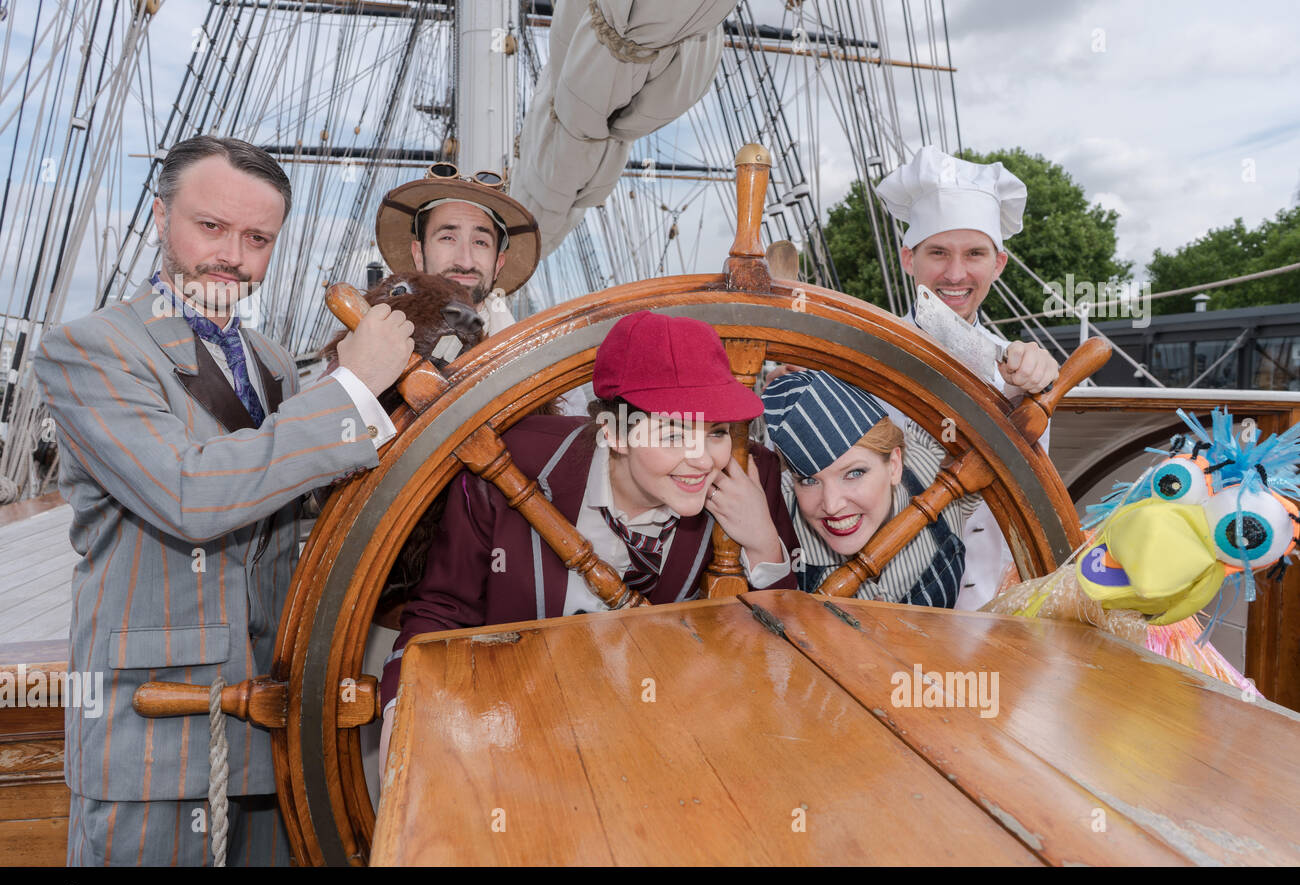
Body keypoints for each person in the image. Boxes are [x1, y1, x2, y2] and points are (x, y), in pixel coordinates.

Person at [33, 136, 414, 866]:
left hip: (273, 728)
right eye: (210, 226)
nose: (232, 255)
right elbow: (191, 492)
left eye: (257, 238)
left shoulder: (273, 362)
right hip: (155, 737)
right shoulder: (91, 349)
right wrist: (351, 390)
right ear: (159, 217)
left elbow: (296, 504)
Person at [377, 310, 799, 765]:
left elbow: (783, 660)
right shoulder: (505, 462)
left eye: (716, 431)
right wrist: (404, 715)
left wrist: (762, 544)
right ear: (615, 432)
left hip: (672, 748)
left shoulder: (753, 476)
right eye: (673, 433)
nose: (701, 460)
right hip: (522, 737)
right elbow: (442, 613)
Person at [875, 145, 1058, 609]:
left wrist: (1034, 384)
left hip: (986, 620)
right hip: (876, 611)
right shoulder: (863, 359)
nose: (955, 273)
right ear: (907, 259)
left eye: (974, 253)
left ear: (998, 263)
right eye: (937, 252)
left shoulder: (1021, 373)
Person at [763, 370, 979, 606]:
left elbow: (991, 426)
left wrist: (1024, 379)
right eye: (809, 480)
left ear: (894, 465)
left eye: (854, 473)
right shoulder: (775, 518)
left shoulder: (933, 465)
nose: (832, 506)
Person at [374, 163, 540, 339]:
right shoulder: (374, 342)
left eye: (480, 242)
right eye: (447, 238)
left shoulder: (533, 360)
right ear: (419, 255)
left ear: (498, 265)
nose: (465, 261)